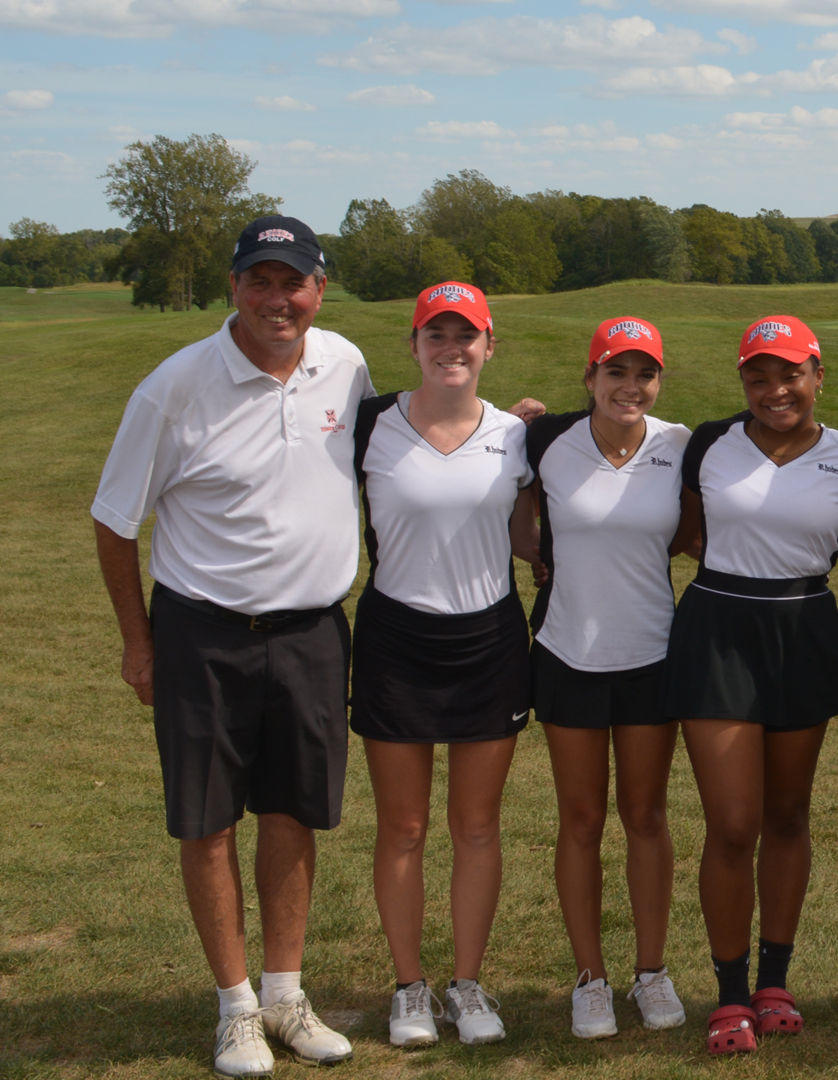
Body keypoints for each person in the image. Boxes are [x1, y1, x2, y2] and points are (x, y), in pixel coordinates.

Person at [92, 216, 362, 1077]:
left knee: (292, 810)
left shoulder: (345, 366)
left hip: (313, 632)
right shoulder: (174, 387)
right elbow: (113, 521)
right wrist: (140, 644)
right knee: (206, 821)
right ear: (234, 286)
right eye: (260, 281)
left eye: (294, 282)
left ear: (320, 287)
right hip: (204, 633)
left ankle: (285, 996)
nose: (277, 300)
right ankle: (236, 1008)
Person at [665, 315, 838, 1055]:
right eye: (758, 376)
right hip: (719, 627)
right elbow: (682, 533)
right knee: (732, 822)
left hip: (803, 626)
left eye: (790, 374)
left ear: (819, 375)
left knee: (788, 814)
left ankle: (775, 980)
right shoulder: (709, 446)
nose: (775, 389)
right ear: (743, 382)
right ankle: (729, 995)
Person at [349, 281, 537, 1048]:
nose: (451, 348)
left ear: (490, 345)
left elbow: (533, 533)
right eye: (437, 334)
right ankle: (409, 990)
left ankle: (466, 983)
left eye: (467, 335)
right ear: (415, 344)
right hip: (397, 640)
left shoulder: (521, 436)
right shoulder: (369, 426)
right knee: (403, 827)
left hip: (489, 642)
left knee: (477, 827)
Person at [523, 317, 696, 1038]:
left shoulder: (682, 444)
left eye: (644, 374)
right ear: (589, 377)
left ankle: (651, 972)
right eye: (615, 372)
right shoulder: (544, 442)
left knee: (647, 817)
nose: (630, 387)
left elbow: (698, 527)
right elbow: (494, 461)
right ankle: (590, 979)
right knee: (582, 821)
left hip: (653, 654)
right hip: (568, 654)